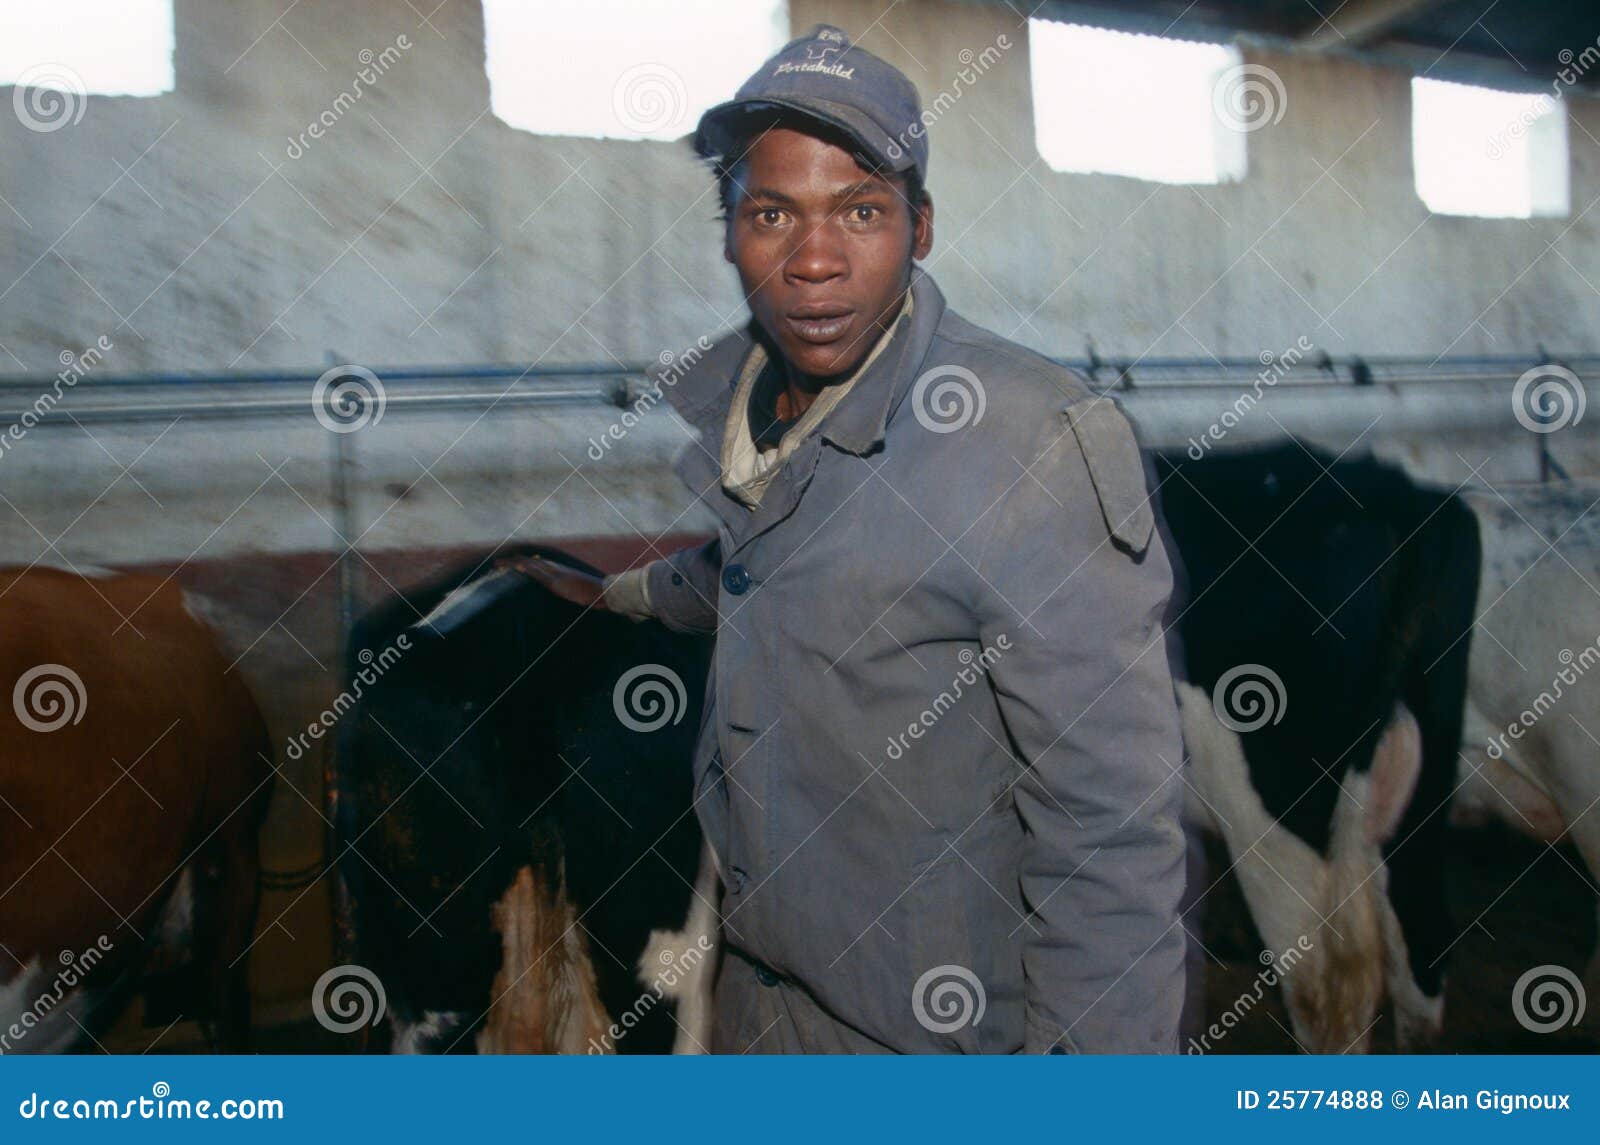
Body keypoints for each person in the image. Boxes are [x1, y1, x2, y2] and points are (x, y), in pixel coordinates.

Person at [522, 24, 1187, 1054]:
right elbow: (771, 577)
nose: (815, 259)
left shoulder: (1025, 444)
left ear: (920, 228)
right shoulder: (756, 418)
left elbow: (1109, 835)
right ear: (729, 231)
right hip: (760, 1012)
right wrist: (627, 594)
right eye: (772, 212)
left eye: (862, 211)